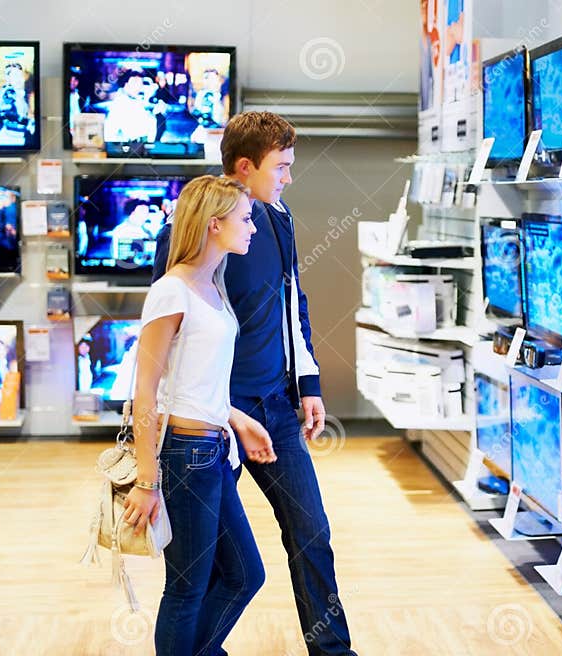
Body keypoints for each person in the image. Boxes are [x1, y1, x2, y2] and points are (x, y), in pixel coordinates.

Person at [152, 112, 358, 656]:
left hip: (275, 407)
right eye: (282, 166)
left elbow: (294, 304)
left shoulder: (278, 218)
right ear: (245, 167)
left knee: (311, 535)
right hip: (212, 420)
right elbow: (164, 342)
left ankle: (334, 651)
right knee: (206, 572)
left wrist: (307, 381)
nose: (289, 177)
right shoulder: (184, 234)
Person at [124, 175, 274, 655]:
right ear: (214, 225)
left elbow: (190, 382)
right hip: (185, 456)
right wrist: (147, 480)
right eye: (245, 219)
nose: (253, 227)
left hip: (213, 451)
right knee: (188, 588)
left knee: (245, 573)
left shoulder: (211, 286)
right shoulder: (172, 290)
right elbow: (144, 390)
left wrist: (236, 418)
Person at [103, 70, 156, 144]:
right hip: (126, 148)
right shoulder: (119, 104)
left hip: (139, 145)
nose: (139, 86)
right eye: (135, 82)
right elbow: (109, 133)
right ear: (126, 84)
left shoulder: (137, 100)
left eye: (140, 83)